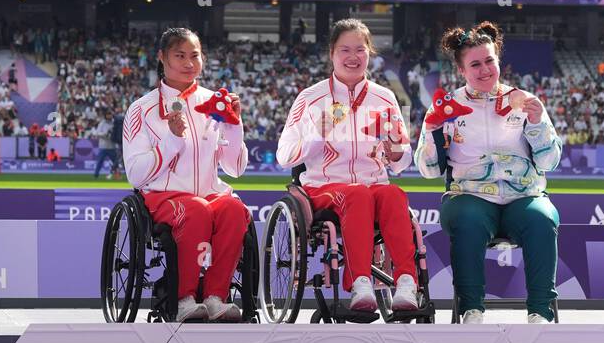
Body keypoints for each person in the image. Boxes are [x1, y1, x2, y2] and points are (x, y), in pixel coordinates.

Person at [414, 22, 562, 324]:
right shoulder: (448, 107)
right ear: (462, 71)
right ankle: (472, 310)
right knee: (467, 220)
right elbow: (428, 171)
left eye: (489, 61)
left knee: (543, 218)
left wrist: (536, 124)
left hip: (523, 194)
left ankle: (540, 313)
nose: (484, 70)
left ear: (498, 61)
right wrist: (431, 130)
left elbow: (549, 162)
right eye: (475, 64)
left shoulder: (525, 101)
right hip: (470, 195)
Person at [276, 18, 418, 313]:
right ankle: (360, 283)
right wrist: (318, 133)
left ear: (369, 53)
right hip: (324, 187)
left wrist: (395, 151)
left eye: (360, 50)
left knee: (394, 195)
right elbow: (285, 156)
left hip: (375, 184)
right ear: (331, 53)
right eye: (344, 50)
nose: (353, 57)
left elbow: (402, 162)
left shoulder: (386, 97)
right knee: (357, 194)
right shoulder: (310, 98)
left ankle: (406, 281)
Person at [122, 28, 250, 322]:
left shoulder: (214, 104)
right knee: (196, 210)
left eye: (194, 55)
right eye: (179, 55)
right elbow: (136, 174)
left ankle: (216, 297)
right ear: (162, 58)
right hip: (163, 197)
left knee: (233, 209)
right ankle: (184, 299)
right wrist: (172, 141)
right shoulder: (141, 110)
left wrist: (234, 124)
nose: (189, 63)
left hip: (209, 194)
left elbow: (235, 169)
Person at [94, 111, 123, 179]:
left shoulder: (114, 123)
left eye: (110, 115)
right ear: (105, 115)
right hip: (103, 146)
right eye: (108, 115)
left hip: (112, 146)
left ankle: (118, 175)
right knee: (99, 161)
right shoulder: (102, 123)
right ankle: (96, 175)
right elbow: (97, 133)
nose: (109, 116)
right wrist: (105, 134)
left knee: (115, 162)